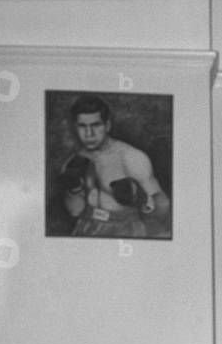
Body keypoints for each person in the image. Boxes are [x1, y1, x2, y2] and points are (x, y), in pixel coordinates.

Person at [58, 94, 170, 238]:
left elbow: (163, 207)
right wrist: (74, 189)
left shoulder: (130, 157)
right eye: (82, 126)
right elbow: (75, 211)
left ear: (107, 125)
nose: (89, 134)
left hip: (125, 230)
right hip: (86, 227)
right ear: (76, 127)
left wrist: (142, 199)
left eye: (96, 125)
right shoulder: (76, 160)